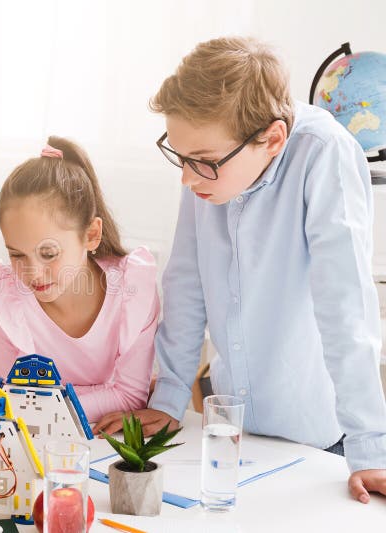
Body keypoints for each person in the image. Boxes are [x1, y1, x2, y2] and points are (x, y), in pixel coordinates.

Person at [95, 36, 386, 503]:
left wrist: (372, 451)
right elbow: (186, 281)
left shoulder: (324, 154)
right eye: (180, 157)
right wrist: (169, 398)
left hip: (316, 436)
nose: (187, 179)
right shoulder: (207, 169)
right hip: (231, 431)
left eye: (203, 163)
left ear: (272, 139)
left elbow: (345, 308)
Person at [0, 136, 159, 422]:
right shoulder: (2, 297)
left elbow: (130, 396)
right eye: (16, 255)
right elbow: (17, 403)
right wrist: (102, 396)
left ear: (91, 235)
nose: (33, 273)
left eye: (49, 254)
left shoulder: (132, 290)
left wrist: (51, 407)